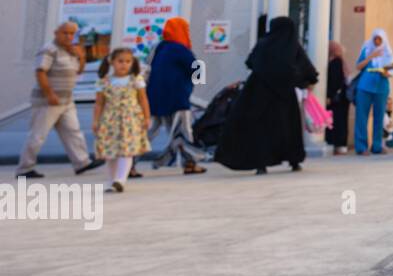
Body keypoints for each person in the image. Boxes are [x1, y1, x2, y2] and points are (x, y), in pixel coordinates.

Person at [215, 16, 318, 174]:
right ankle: (294, 161)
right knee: (287, 128)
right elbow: (306, 69)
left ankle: (260, 164)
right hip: (284, 95)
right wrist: (304, 80)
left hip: (258, 93)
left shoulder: (264, 43)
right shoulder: (291, 46)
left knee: (261, 129)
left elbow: (250, 62)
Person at [16, 21, 104, 178]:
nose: (69, 37)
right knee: (38, 135)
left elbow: (79, 71)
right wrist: (49, 94)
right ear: (56, 33)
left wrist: (81, 56)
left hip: (66, 100)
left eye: (72, 34)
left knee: (73, 131)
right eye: (66, 33)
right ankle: (24, 169)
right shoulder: (49, 49)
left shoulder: (71, 50)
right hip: (47, 101)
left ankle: (82, 163)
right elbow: (41, 72)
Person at [145, 17, 206, 175]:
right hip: (177, 97)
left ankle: (128, 163)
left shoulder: (159, 48)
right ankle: (190, 164)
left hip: (154, 97)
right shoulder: (181, 49)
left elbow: (148, 68)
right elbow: (197, 69)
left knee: (149, 132)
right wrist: (195, 84)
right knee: (183, 131)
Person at [92, 48, 151, 192]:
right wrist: (96, 120)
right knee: (110, 152)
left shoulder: (136, 80)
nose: (124, 65)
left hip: (130, 119)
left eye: (128, 61)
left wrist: (147, 116)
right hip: (110, 120)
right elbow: (99, 103)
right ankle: (111, 181)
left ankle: (120, 180)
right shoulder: (104, 82)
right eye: (120, 61)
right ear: (112, 62)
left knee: (127, 150)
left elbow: (143, 99)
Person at [353, 28, 393, 155]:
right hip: (364, 87)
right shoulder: (367, 48)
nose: (377, 41)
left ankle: (377, 146)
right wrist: (371, 56)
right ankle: (361, 147)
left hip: (381, 88)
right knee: (361, 117)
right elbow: (358, 66)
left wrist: (386, 72)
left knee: (379, 117)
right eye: (375, 38)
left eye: (379, 39)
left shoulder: (388, 52)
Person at [324, 41, 350, 155]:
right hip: (342, 98)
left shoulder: (336, 62)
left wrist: (329, 95)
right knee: (341, 121)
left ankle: (337, 145)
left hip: (337, 99)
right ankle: (340, 145)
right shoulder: (341, 62)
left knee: (336, 122)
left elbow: (335, 81)